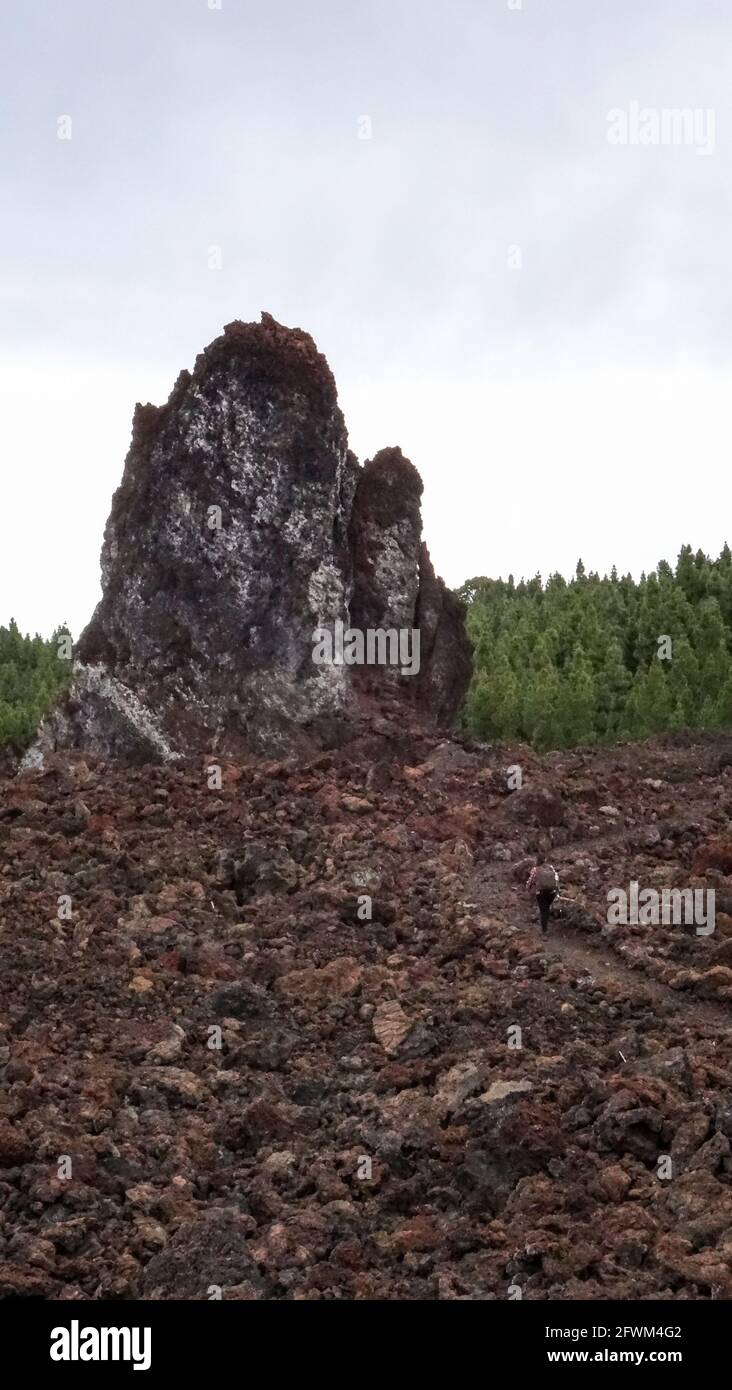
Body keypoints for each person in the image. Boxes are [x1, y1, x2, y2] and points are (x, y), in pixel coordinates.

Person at [527, 859, 559, 933]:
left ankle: (544, 930)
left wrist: (528, 889)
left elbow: (530, 881)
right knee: (547, 908)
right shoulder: (550, 867)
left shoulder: (535, 870)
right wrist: (556, 890)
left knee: (543, 910)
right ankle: (546, 923)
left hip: (541, 892)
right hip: (551, 892)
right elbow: (556, 879)